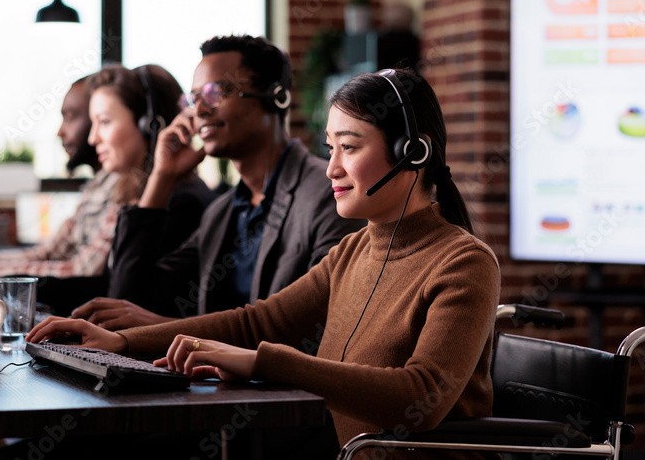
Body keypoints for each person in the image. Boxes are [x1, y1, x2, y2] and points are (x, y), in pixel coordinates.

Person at [28, 68, 501, 457]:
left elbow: (421, 396)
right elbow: (259, 320)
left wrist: (264, 362)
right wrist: (120, 341)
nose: (333, 168)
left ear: (411, 152)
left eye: (350, 148)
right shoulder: (353, 251)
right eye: (330, 149)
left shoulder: (463, 264)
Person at [70, 35, 363, 330]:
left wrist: (171, 329)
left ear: (275, 97)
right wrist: (161, 177)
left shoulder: (329, 194)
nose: (199, 111)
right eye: (193, 99)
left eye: (215, 93)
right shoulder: (221, 214)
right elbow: (128, 299)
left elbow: (309, 328)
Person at [0, 65, 215, 308]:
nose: (92, 138)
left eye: (105, 122)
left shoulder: (183, 202)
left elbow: (121, 296)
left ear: (147, 125)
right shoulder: (129, 190)